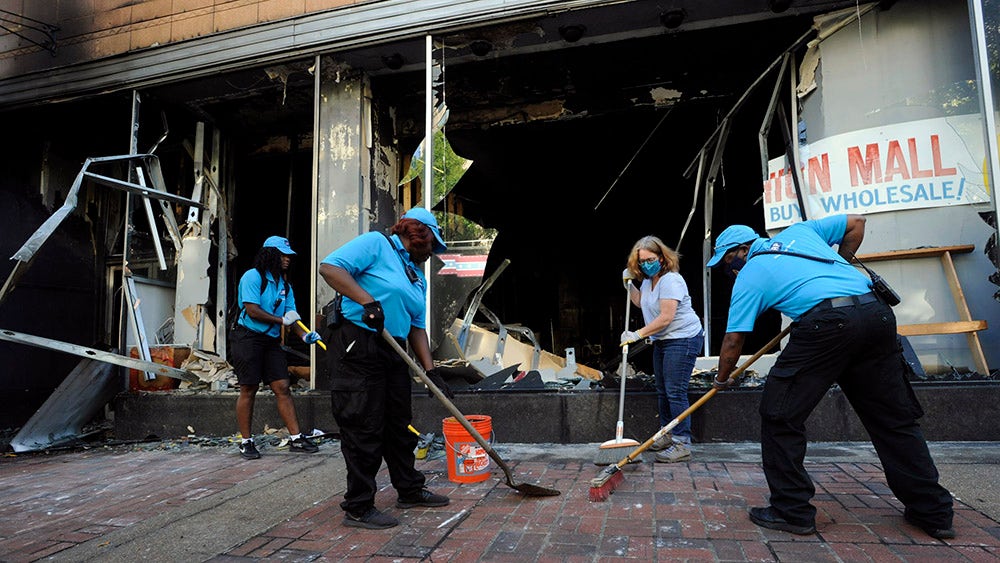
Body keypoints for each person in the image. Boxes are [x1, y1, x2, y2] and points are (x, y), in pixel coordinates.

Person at [707, 214, 954, 539]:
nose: (729, 268)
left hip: (827, 325)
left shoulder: (751, 273)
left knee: (780, 415)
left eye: (727, 260)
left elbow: (733, 341)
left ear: (742, 250)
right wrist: (840, 263)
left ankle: (791, 510)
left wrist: (721, 379)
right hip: (875, 313)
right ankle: (933, 512)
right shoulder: (801, 233)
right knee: (894, 420)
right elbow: (856, 223)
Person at [319, 207, 453, 530]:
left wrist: (431, 371)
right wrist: (367, 301)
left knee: (398, 423)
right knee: (364, 423)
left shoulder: (416, 275)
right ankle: (359, 506)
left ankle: (408, 488)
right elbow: (329, 267)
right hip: (359, 343)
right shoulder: (377, 244)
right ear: (417, 232)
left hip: (394, 350)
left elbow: (417, 327)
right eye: (432, 244)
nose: (433, 252)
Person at [232, 236, 322, 460]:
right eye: (283, 255)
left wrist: (305, 335)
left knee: (282, 386)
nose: (287, 259)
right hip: (247, 337)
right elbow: (252, 310)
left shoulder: (285, 285)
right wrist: (281, 321)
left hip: (270, 341)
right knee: (249, 387)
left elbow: (292, 319)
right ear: (269, 254)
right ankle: (246, 442)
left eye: (289, 256)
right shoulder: (252, 277)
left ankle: (296, 438)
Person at [621, 236, 704, 463]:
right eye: (642, 261)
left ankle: (682, 443)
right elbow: (641, 303)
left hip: (683, 338)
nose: (647, 264)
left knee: (675, 390)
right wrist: (629, 285)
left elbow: (666, 317)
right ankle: (666, 434)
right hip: (663, 340)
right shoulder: (648, 282)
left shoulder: (671, 281)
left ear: (662, 257)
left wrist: (637, 335)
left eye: (651, 259)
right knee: (662, 390)